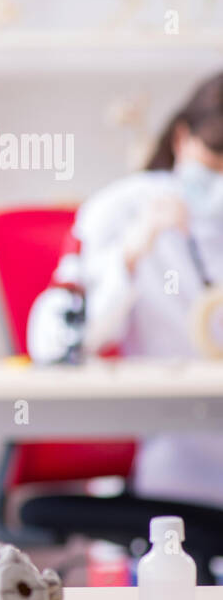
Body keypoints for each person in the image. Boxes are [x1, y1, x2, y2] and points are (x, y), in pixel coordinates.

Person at [70, 71, 223, 506]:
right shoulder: (121, 210)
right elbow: (79, 339)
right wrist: (133, 251)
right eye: (214, 160)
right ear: (181, 138)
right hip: (175, 460)